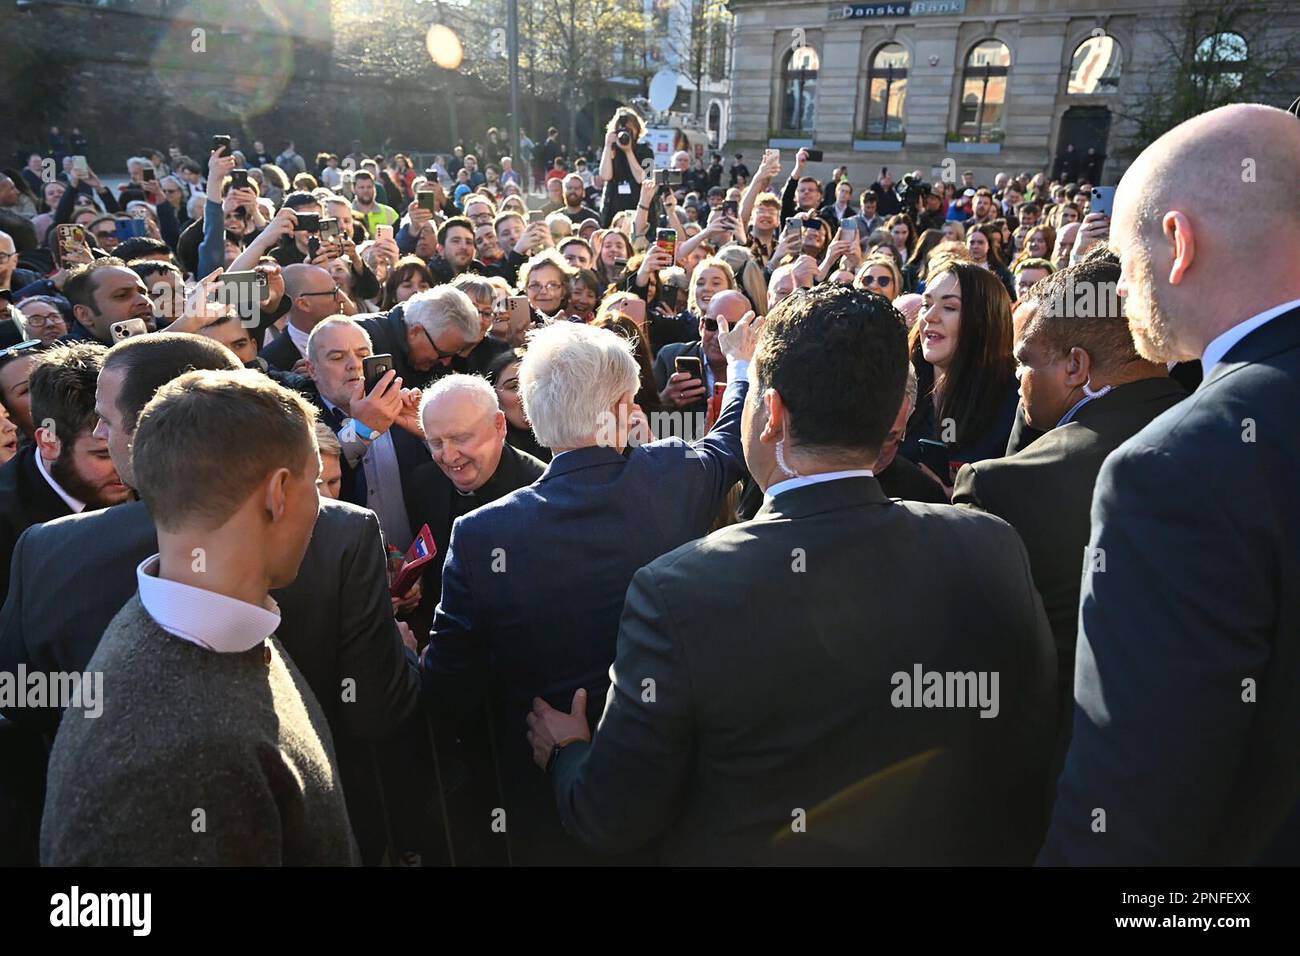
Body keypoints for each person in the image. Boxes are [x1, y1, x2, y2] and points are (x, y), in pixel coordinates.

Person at [526, 284, 1056, 864]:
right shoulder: (989, 543)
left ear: (772, 413)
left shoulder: (676, 593)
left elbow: (613, 814)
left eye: (748, 394)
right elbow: (1032, 744)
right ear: (893, 418)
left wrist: (568, 753)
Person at [0, 333, 419, 863]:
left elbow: (22, 702)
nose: (323, 506)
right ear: (278, 493)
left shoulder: (222, 621)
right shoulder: (184, 731)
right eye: (317, 484)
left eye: (106, 417)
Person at [1041, 104, 1300, 866]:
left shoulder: (1178, 467)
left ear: (1178, 244)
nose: (1119, 290)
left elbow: (1130, 814)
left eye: (1123, 261)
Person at [421, 315, 757, 864]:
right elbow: (732, 439)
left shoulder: (483, 534)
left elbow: (447, 690)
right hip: (669, 782)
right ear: (625, 409)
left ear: (529, 414)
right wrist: (740, 362)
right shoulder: (674, 476)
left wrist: (410, 655)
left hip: (546, 806)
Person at [952, 256, 1186, 755]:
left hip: (1062, 770)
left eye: (1025, 360)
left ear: (1076, 366)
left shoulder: (1003, 487)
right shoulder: (1237, 436)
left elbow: (976, 655)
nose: (1018, 379)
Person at [0, 342, 129, 605]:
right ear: (49, 443)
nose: (128, 468)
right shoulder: (6, 525)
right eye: (103, 455)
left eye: (134, 447)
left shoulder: (158, 470)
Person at [404, 373, 545, 609]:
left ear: (499, 426)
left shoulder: (541, 493)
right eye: (436, 443)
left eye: (460, 439)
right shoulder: (424, 484)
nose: (448, 457)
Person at [305, 316, 428, 552]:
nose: (354, 364)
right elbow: (322, 474)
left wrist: (429, 434)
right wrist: (361, 430)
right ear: (312, 369)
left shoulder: (403, 412)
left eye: (363, 355)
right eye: (337, 357)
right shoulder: (304, 421)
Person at [901, 260, 1019, 485]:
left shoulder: (1014, 403)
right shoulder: (899, 384)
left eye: (949, 307)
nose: (929, 317)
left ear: (984, 320)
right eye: (926, 304)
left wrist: (967, 498)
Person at [357, 284, 508, 389]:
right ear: (415, 331)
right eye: (442, 354)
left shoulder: (437, 358)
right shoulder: (359, 337)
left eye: (453, 355)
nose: (446, 362)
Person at [599, 108, 652, 227]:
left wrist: (628, 152)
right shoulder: (612, 150)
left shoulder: (646, 151)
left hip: (638, 207)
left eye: (629, 129)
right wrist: (608, 146)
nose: (625, 133)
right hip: (613, 208)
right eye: (622, 130)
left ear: (637, 130)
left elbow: (643, 179)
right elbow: (605, 175)